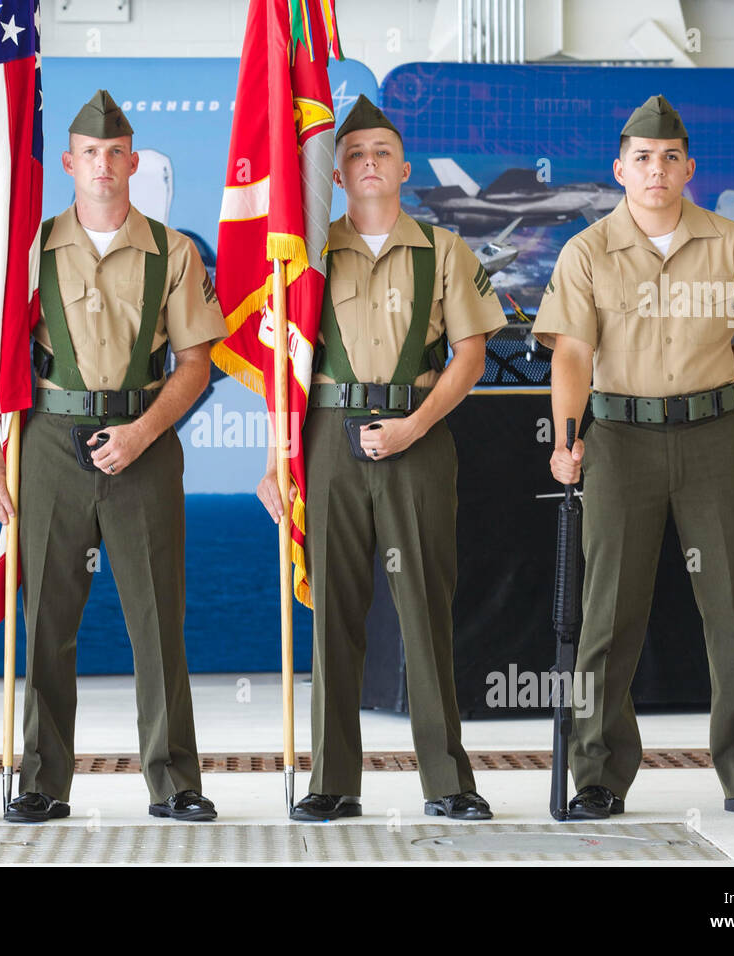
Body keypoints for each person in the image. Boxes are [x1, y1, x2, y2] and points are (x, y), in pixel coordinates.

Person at [533, 94, 734, 819]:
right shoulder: (587, 251)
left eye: (670, 158)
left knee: (731, 610)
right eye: (643, 159)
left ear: (690, 168)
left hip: (714, 436)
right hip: (620, 439)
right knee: (608, 614)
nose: (657, 170)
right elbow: (573, 356)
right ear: (620, 169)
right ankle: (596, 776)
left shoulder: (731, 243)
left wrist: (720, 357)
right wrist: (567, 439)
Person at [0, 90, 226, 823]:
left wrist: (140, 434)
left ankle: (175, 780)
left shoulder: (173, 252)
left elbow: (194, 364)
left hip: (142, 440)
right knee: (47, 622)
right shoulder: (29, 248)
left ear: (134, 161)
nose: (104, 165)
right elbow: (0, 363)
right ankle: (41, 782)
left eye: (116, 153)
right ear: (68, 163)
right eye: (91, 153)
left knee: (158, 621)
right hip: (50, 444)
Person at [258, 95, 507, 822]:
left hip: (418, 437)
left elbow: (470, 356)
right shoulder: (303, 254)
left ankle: (447, 781)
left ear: (403, 167)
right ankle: (332, 781)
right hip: (328, 436)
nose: (369, 164)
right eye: (355, 155)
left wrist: (415, 426)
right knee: (333, 610)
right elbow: (280, 364)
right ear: (336, 174)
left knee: (425, 607)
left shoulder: (444, 249)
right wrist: (278, 459)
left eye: (381, 153)